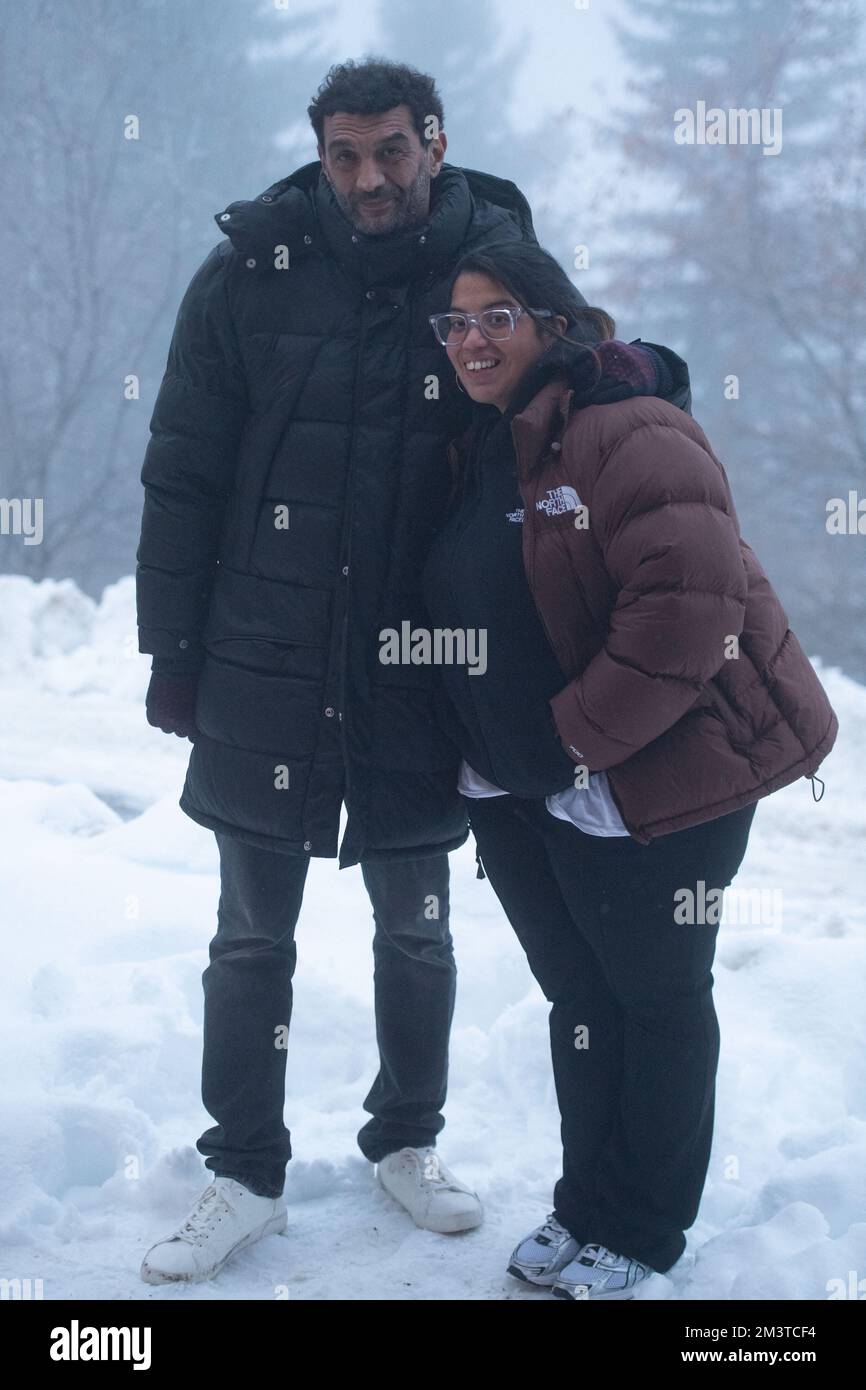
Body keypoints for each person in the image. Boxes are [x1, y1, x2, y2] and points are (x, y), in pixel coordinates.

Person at [134, 58, 680, 1285]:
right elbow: (182, 468)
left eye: (391, 149)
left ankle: (406, 1140)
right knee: (247, 935)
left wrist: (651, 391)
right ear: (319, 155)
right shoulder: (249, 272)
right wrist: (171, 646)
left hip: (426, 661)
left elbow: (575, 397)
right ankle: (242, 1169)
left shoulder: (490, 269)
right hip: (262, 649)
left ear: (435, 142)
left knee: (417, 925)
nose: (369, 177)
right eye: (345, 155)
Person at [420, 241, 839, 1300]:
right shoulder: (483, 443)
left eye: (495, 316)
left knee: (653, 996)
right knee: (577, 994)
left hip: (652, 781)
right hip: (524, 789)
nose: (471, 339)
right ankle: (583, 1204)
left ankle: (643, 1226)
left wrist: (568, 747)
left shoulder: (630, 430)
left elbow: (684, 617)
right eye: (454, 323)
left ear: (554, 323)